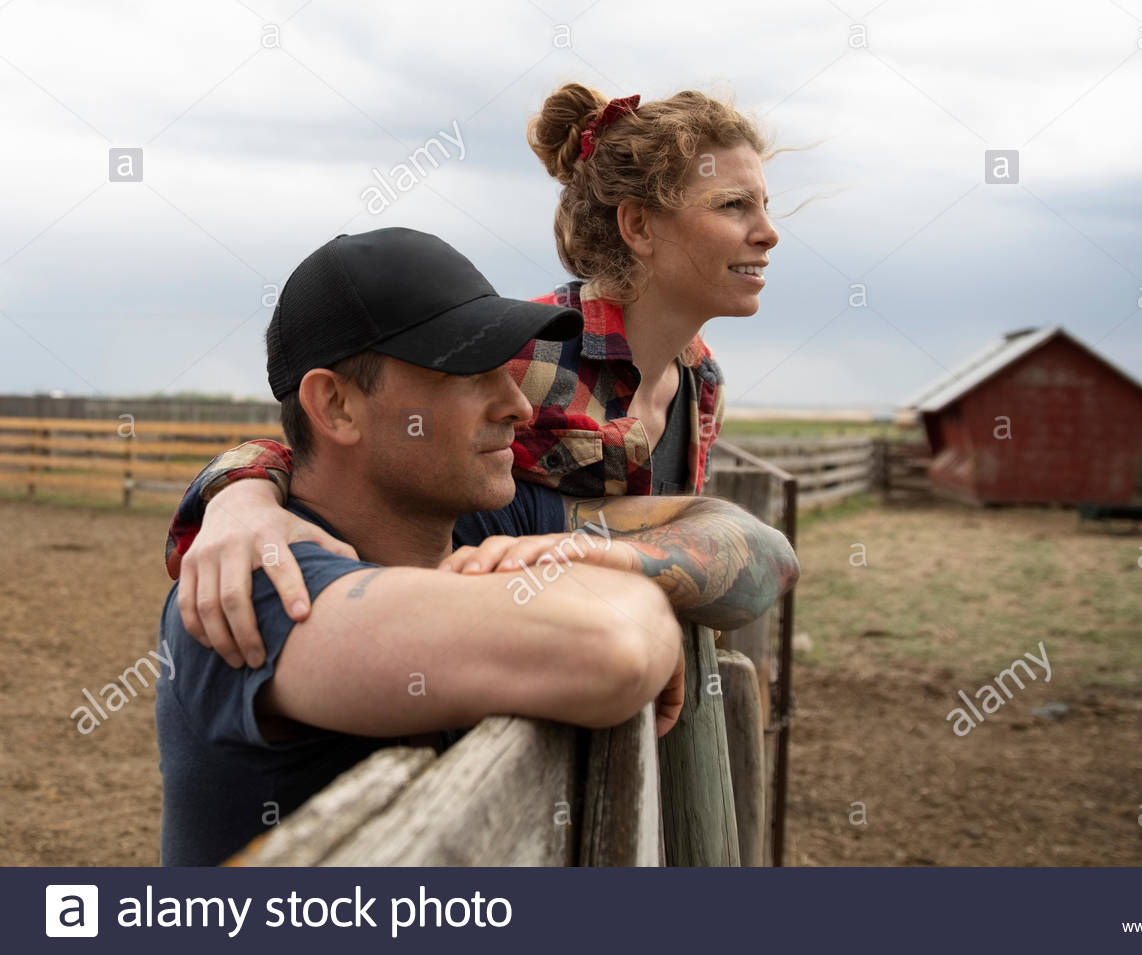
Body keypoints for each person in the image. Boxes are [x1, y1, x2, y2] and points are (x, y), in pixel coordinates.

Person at [156, 227, 799, 865]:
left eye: (510, 370)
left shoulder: (484, 522)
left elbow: (764, 551)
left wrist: (632, 560)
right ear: (337, 406)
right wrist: (636, 601)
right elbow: (611, 646)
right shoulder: (254, 583)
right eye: (469, 372)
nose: (518, 404)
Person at [162, 84, 781, 668]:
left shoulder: (703, 379)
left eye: (764, 204)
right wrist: (237, 498)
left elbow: (687, 529)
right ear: (639, 225)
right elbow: (330, 438)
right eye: (733, 205)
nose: (769, 232)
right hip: (480, 648)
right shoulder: (529, 356)